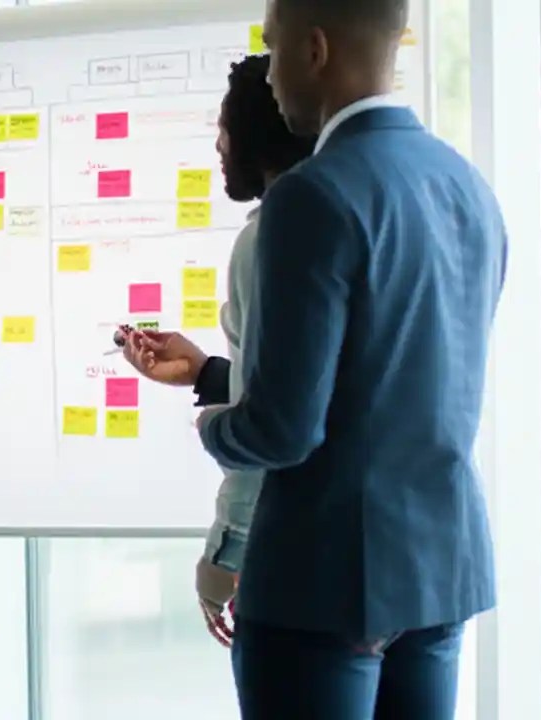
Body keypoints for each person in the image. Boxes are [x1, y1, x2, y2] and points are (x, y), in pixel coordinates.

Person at [168, 0, 501, 717]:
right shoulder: (466, 185)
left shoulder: (309, 196)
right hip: (442, 569)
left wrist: (211, 424)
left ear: (314, 50)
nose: (272, 73)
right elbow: (392, 380)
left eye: (275, 46)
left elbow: (281, 431)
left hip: (323, 578)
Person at [122, 54, 314, 647]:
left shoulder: (270, 240)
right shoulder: (343, 220)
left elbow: (272, 432)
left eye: (224, 129)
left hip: (286, 563)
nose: (218, 147)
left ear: (255, 135)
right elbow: (304, 385)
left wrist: (224, 557)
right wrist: (205, 372)